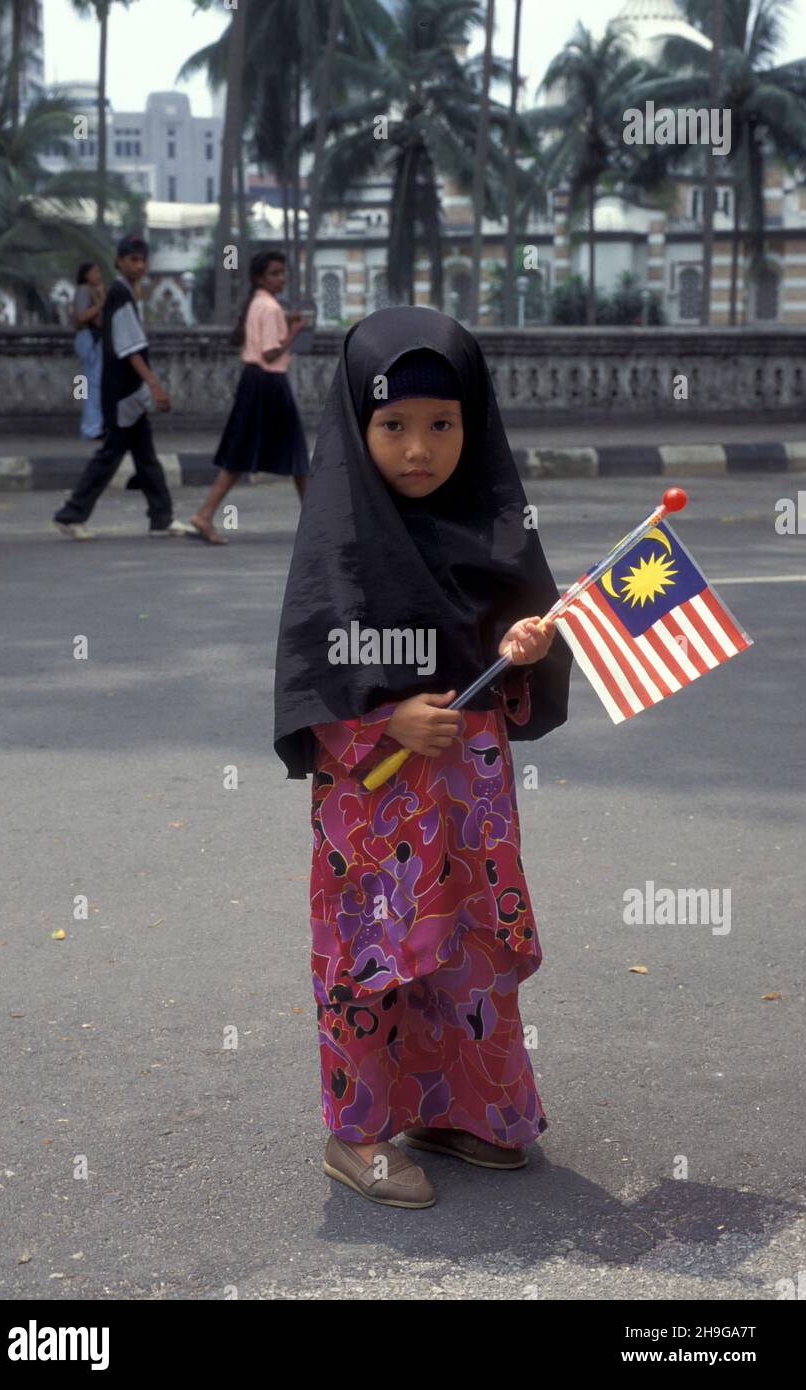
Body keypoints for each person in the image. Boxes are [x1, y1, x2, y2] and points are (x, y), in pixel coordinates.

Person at [273, 306, 573, 1209]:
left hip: (471, 800)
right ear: (358, 427)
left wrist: (523, 651)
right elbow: (310, 672)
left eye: (443, 423)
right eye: (393, 424)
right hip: (375, 806)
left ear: (471, 425)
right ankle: (357, 1131)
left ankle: (463, 1110)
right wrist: (385, 721)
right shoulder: (342, 540)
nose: (419, 447)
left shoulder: (491, 526)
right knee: (375, 958)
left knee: (471, 952)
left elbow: (518, 662)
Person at [53, 233, 196, 540]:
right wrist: (155, 385)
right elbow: (130, 348)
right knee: (112, 455)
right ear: (119, 262)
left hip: (127, 394)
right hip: (123, 394)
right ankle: (72, 514)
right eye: (133, 260)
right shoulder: (120, 295)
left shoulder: (125, 294)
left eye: (143, 260)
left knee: (144, 457)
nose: (139, 266)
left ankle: (161, 517)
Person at [189, 249, 309, 544]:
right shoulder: (269, 308)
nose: (281, 278)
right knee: (295, 452)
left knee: (245, 452)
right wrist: (293, 331)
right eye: (274, 273)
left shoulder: (259, 303)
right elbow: (270, 352)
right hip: (269, 381)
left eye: (282, 273)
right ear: (259, 277)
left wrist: (284, 320)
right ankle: (315, 524)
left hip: (254, 380)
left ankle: (205, 513)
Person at [72, 261, 105, 440]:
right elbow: (80, 317)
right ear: (86, 275)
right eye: (94, 272)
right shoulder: (84, 290)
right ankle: (90, 427)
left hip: (95, 340)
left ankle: (95, 425)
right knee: (89, 385)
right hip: (87, 339)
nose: (97, 275)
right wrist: (100, 304)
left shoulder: (94, 290)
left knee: (95, 385)